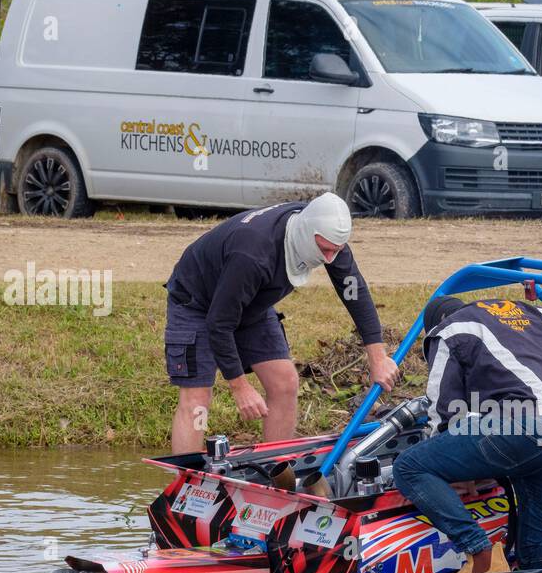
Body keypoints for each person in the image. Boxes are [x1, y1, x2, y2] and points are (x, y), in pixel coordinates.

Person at [164, 192, 398, 454]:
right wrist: (240, 387)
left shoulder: (330, 237)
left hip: (251, 302)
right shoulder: (252, 254)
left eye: (337, 250)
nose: (330, 259)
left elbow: (354, 292)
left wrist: (378, 358)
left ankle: (275, 469)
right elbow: (219, 323)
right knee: (197, 399)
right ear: (306, 234)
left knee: (285, 382)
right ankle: (185, 483)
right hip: (197, 302)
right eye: (325, 250)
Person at [392, 295, 542, 573]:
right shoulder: (533, 313)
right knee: (536, 550)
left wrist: (456, 469)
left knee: (409, 466)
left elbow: (442, 416)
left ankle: (479, 550)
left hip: (526, 424)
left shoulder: (447, 331)